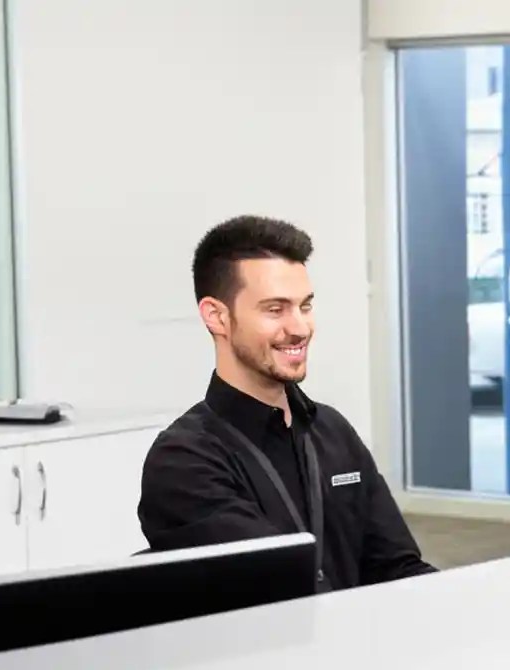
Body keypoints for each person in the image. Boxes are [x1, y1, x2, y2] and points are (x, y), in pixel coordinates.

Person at [139, 215, 436, 592]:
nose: (299, 328)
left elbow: (397, 568)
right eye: (275, 309)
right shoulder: (184, 460)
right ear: (217, 317)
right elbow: (277, 591)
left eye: (305, 306)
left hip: (357, 642)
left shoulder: (333, 431)